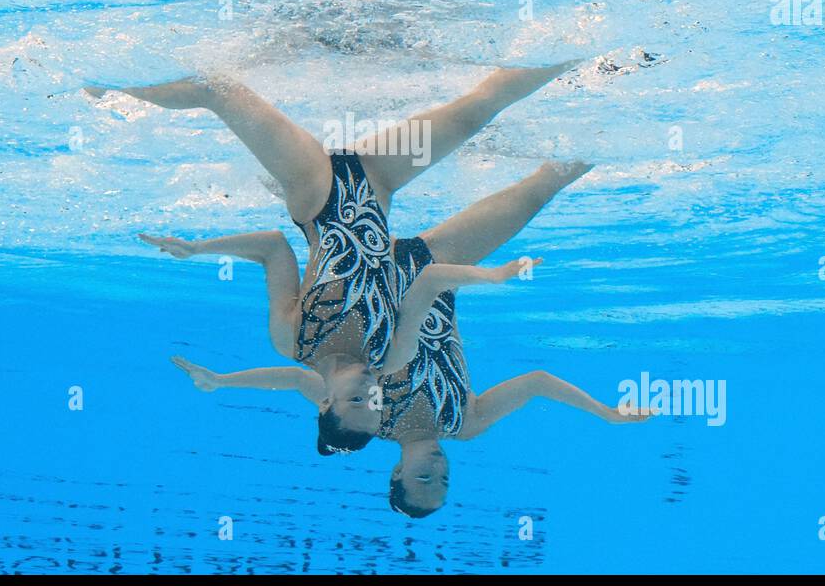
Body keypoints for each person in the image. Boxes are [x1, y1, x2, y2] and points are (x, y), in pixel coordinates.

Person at [85, 64, 578, 453]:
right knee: (477, 110)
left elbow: (273, 247)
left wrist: (198, 249)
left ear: (325, 402)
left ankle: (110, 86)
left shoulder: (292, 340)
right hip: (378, 183)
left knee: (219, 92)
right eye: (376, 401)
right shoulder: (392, 355)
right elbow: (427, 282)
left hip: (318, 192)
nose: (372, 389)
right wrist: (490, 277)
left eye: (357, 399)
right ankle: (598, 59)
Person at [168, 161, 652, 516]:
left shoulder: (367, 413)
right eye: (444, 478)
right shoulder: (465, 422)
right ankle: (614, 113)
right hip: (431, 263)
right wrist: (605, 414)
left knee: (362, 171)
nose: (438, 467)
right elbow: (538, 382)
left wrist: (224, 380)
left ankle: (265, 178)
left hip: (376, 275)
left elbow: (297, 379)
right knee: (541, 188)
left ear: (396, 473)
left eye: (425, 477)